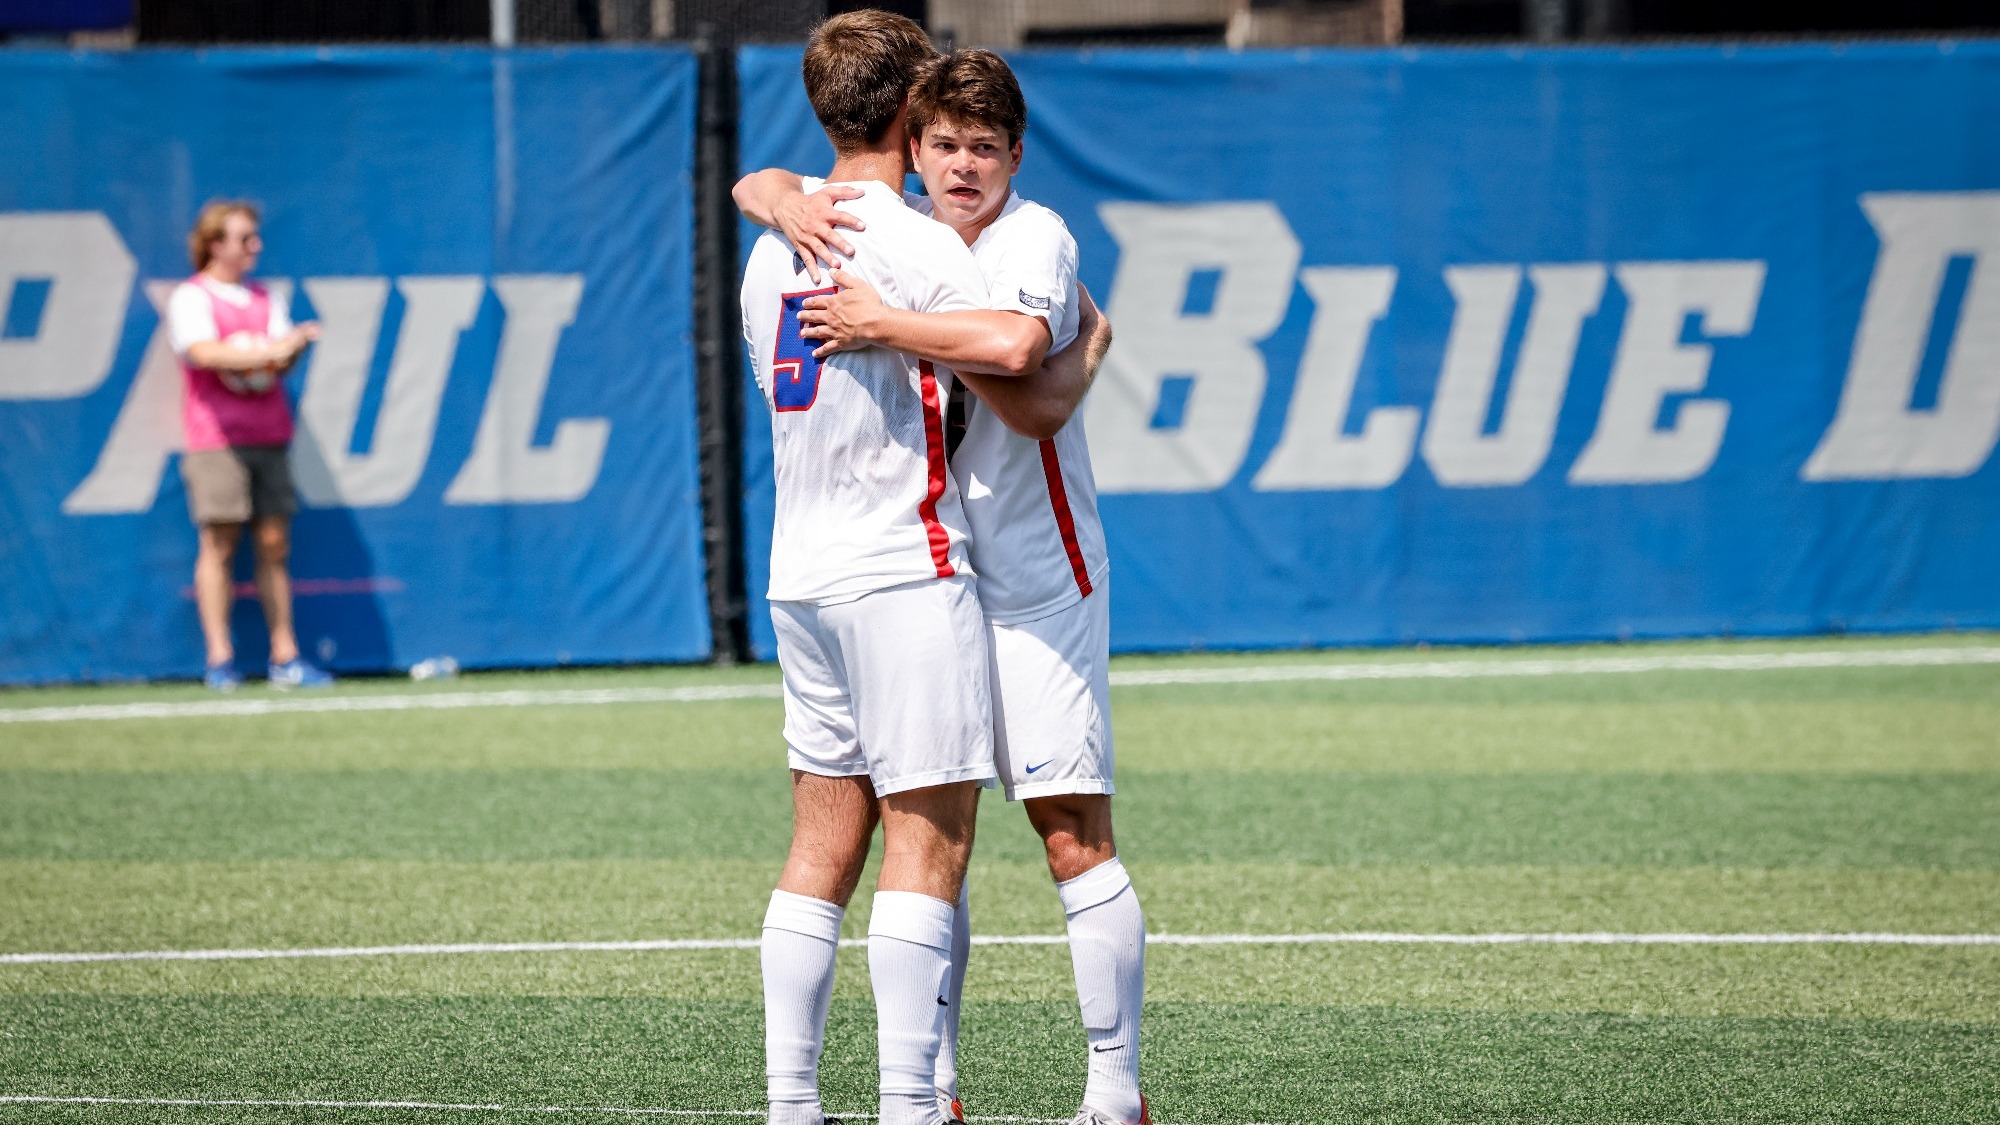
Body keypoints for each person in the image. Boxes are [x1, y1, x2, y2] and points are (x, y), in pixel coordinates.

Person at [736, 48, 1148, 1125]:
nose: (963, 164)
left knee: (1062, 829)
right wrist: (767, 189)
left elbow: (1027, 395)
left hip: (1029, 572)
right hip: (920, 572)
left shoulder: (1026, 237)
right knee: (928, 838)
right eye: (944, 142)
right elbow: (778, 193)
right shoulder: (873, 233)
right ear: (911, 140)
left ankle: (1113, 1092)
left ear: (1016, 154)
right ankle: (929, 1093)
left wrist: (880, 315)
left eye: (985, 146)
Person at [739, 14, 1005, 1125]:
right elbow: (1010, 352)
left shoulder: (772, 240)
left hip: (799, 572)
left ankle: (791, 1103)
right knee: (926, 839)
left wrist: (767, 189)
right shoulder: (915, 241)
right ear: (910, 108)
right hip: (902, 560)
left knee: (817, 846)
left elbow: (765, 192)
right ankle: (908, 1104)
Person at [168, 200, 332, 692]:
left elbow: (278, 362)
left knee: (274, 544)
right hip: (217, 439)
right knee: (219, 544)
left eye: (255, 237)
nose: (255, 247)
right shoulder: (192, 298)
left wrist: (294, 346)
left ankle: (286, 656)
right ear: (216, 244)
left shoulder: (265, 298)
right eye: (245, 239)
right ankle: (220, 659)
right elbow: (203, 352)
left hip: (270, 434)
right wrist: (269, 350)